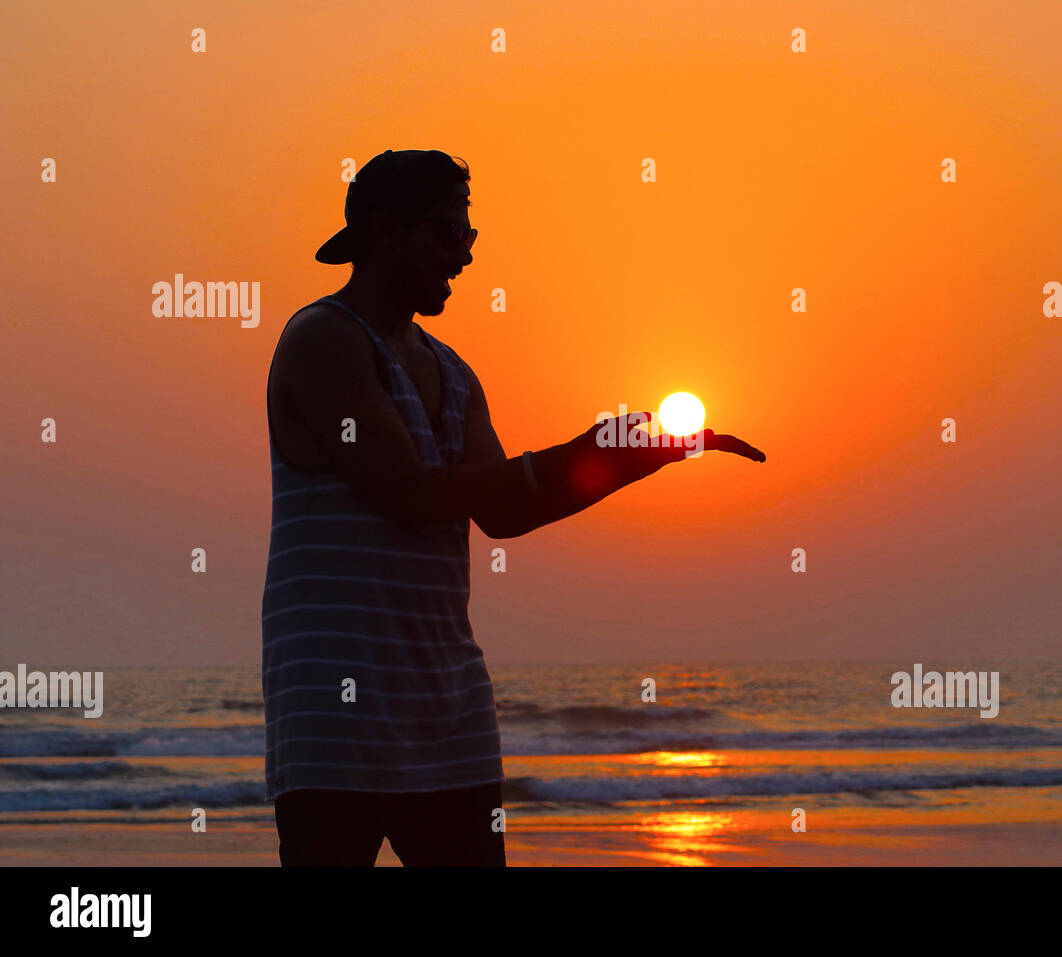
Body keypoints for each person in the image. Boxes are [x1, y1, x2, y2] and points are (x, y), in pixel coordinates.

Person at [261, 149, 765, 865]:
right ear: (386, 231)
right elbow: (408, 492)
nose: (464, 256)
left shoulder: (454, 372)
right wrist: (580, 454)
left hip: (451, 714)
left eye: (468, 238)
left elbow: (503, 510)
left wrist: (628, 458)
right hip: (335, 719)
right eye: (447, 234)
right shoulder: (324, 340)